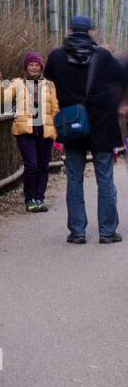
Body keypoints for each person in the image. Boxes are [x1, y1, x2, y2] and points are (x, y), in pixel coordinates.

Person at [44, 16, 123, 245]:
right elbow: (121, 78)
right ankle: (107, 232)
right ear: (91, 32)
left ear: (69, 30)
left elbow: (49, 78)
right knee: (105, 179)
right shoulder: (104, 57)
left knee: (75, 178)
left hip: (73, 125)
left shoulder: (57, 56)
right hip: (102, 126)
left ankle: (78, 231)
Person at [0, 52, 58, 212]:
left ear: (41, 67)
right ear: (26, 67)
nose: (34, 67)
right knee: (31, 165)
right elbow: (4, 99)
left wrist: (57, 129)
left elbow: (55, 108)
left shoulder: (50, 85)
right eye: (31, 64)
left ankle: (39, 198)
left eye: (37, 64)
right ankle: (29, 199)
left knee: (43, 166)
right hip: (25, 129)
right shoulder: (17, 83)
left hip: (45, 129)